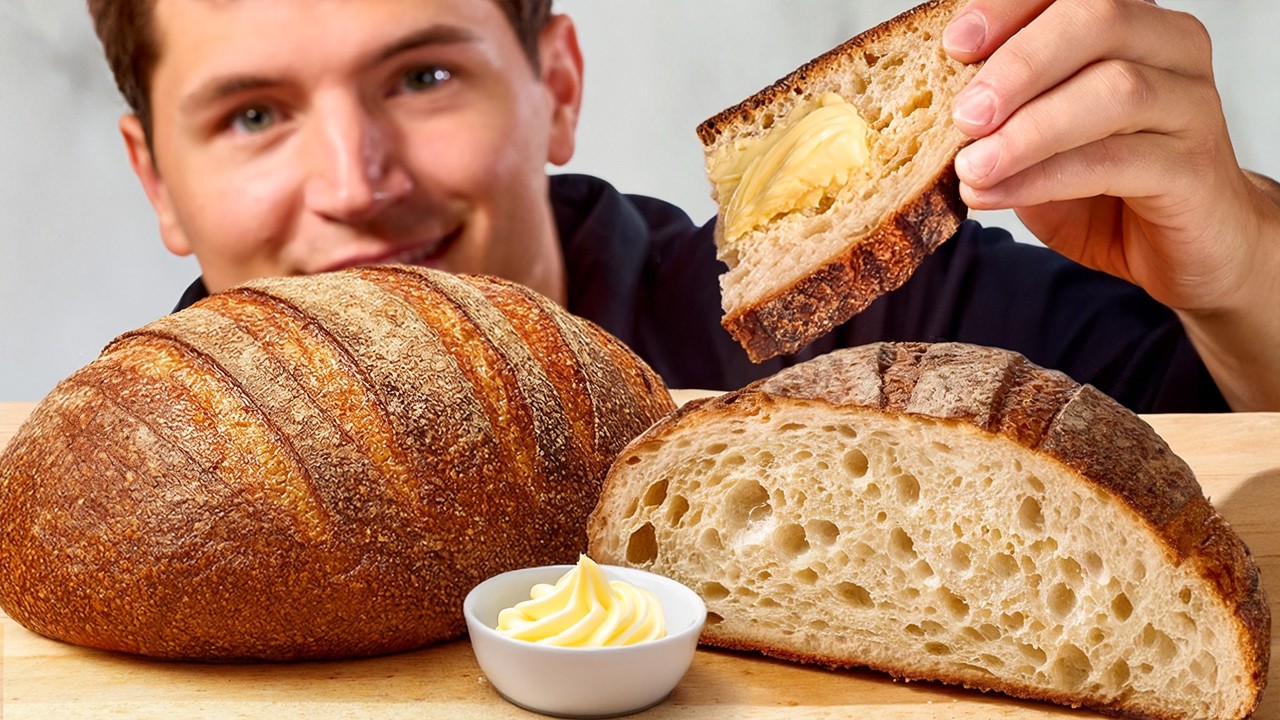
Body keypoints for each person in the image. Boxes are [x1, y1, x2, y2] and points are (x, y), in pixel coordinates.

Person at [84, 0, 1280, 413]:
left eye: (423, 77)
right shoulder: (125, 492)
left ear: (555, 90)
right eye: (253, 114)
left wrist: (1240, 270)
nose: (356, 183)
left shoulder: (877, 324)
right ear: (156, 182)